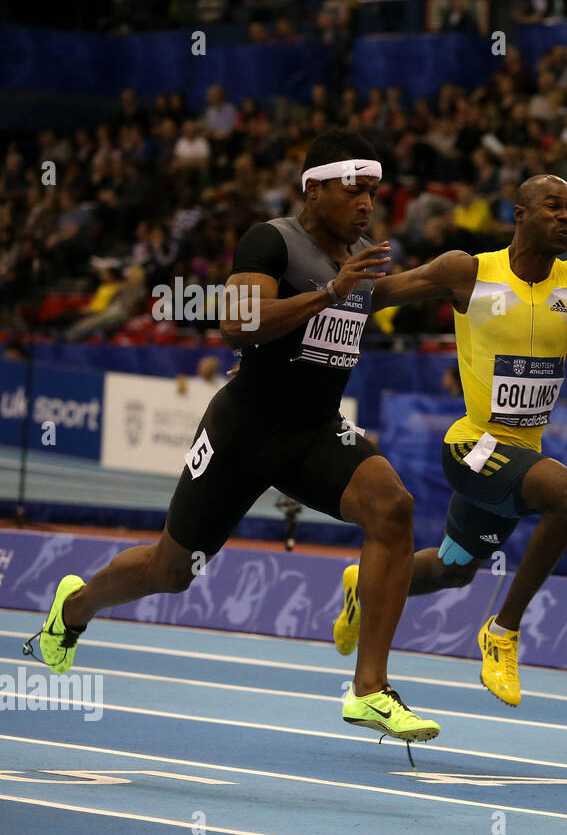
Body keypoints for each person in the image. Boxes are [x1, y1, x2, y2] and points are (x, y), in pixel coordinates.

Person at [28, 130, 447, 745]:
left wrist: (458, 275)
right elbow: (237, 325)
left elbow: (381, 293)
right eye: (354, 190)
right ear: (315, 187)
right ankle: (73, 609)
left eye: (374, 193)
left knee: (393, 507)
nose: (367, 204)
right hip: (241, 434)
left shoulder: (359, 256)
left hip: (313, 433)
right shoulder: (271, 240)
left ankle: (370, 692)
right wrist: (328, 292)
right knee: (171, 571)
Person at [331, 174, 567, 710]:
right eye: (553, 206)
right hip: (472, 446)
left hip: (519, 456)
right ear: (519, 214)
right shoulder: (467, 271)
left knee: (453, 570)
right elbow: (376, 297)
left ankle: (364, 586)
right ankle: (503, 629)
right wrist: (332, 288)